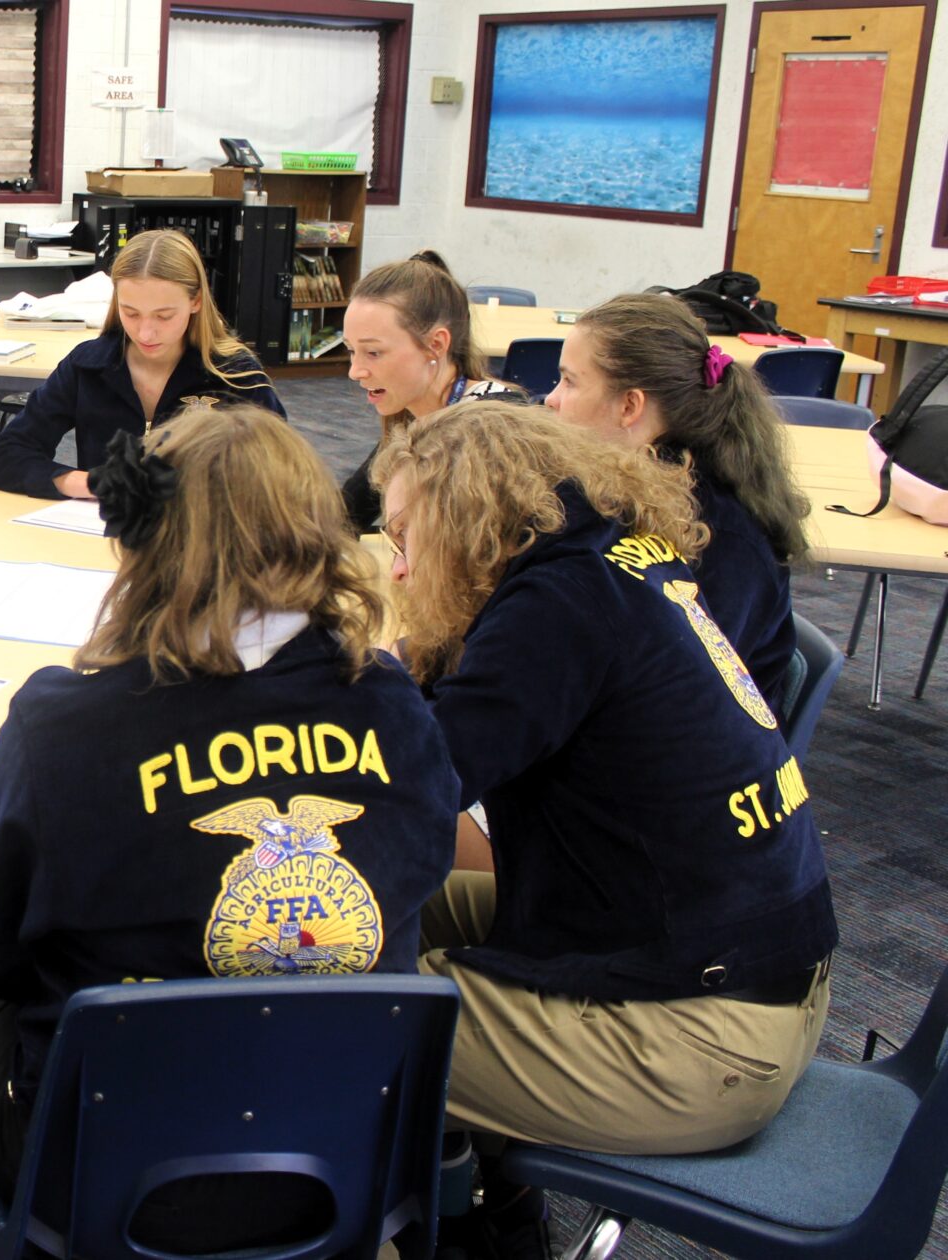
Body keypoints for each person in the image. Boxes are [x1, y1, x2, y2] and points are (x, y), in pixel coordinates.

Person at [0, 404, 459, 1250]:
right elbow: (417, 883)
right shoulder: (394, 704)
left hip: (110, 1172)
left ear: (139, 541)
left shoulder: (62, 726)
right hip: (346, 1162)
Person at [373, 403, 836, 1260]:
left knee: (327, 1006)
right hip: (737, 960)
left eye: (407, 536)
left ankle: (467, 1231)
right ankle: (486, 1208)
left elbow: (411, 792)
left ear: (471, 523)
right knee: (374, 914)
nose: (398, 572)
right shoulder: (608, 556)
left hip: (705, 1032)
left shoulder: (557, 609)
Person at [546, 292, 809, 706]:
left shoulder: (723, 534)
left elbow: (685, 689)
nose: (551, 399)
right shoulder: (612, 485)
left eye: (570, 381)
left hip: (694, 752)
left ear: (630, 405)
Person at [0, 229, 285, 498]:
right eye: (131, 313)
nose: (145, 333)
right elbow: (4, 458)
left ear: (196, 302)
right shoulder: (89, 366)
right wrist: (90, 484)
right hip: (104, 541)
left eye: (164, 316)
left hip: (204, 546)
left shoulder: (238, 376)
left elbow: (282, 478)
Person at [339, 250, 525, 530]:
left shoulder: (497, 425)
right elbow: (346, 514)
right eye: (352, 351)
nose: (355, 371)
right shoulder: (412, 417)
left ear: (436, 345)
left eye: (374, 352)